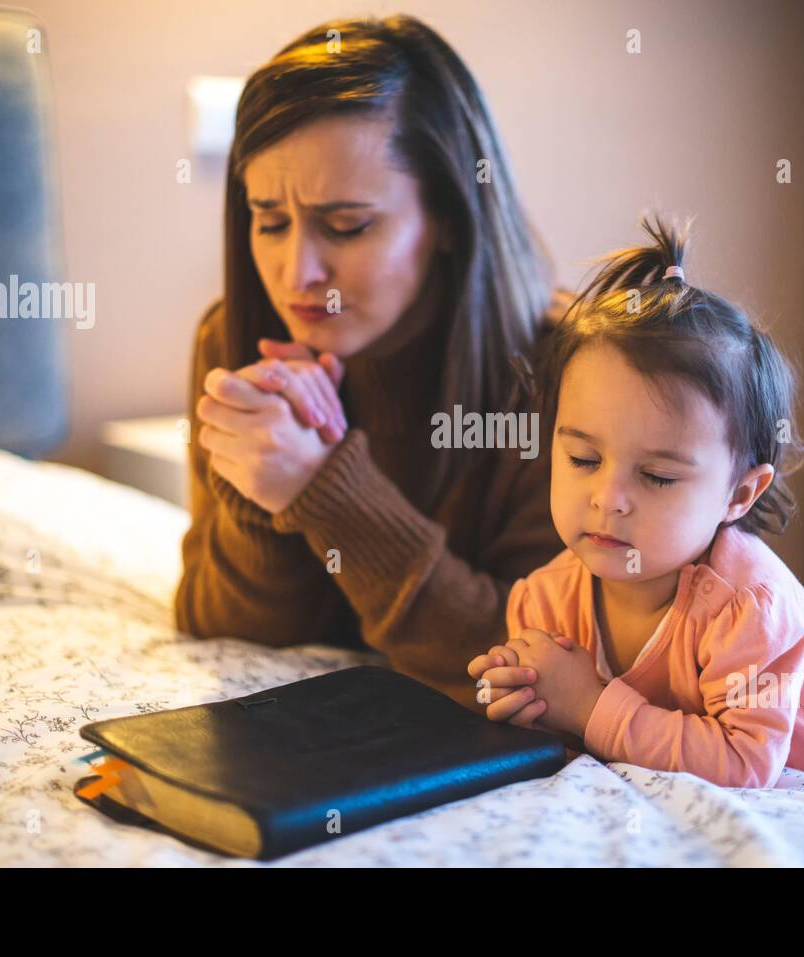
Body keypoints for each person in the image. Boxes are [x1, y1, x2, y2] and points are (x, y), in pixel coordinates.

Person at [176, 14, 569, 710]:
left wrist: (327, 489)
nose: (297, 271)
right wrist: (261, 501)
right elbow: (225, 632)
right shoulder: (235, 347)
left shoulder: (565, 374)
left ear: (449, 215)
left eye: (348, 225)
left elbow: (540, 666)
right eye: (269, 220)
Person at [468, 215, 804, 796]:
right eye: (583, 460)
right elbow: (573, 749)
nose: (608, 498)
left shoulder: (748, 610)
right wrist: (521, 695)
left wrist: (589, 705)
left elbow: (744, 766)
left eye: (656, 476)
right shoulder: (545, 600)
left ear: (738, 494)